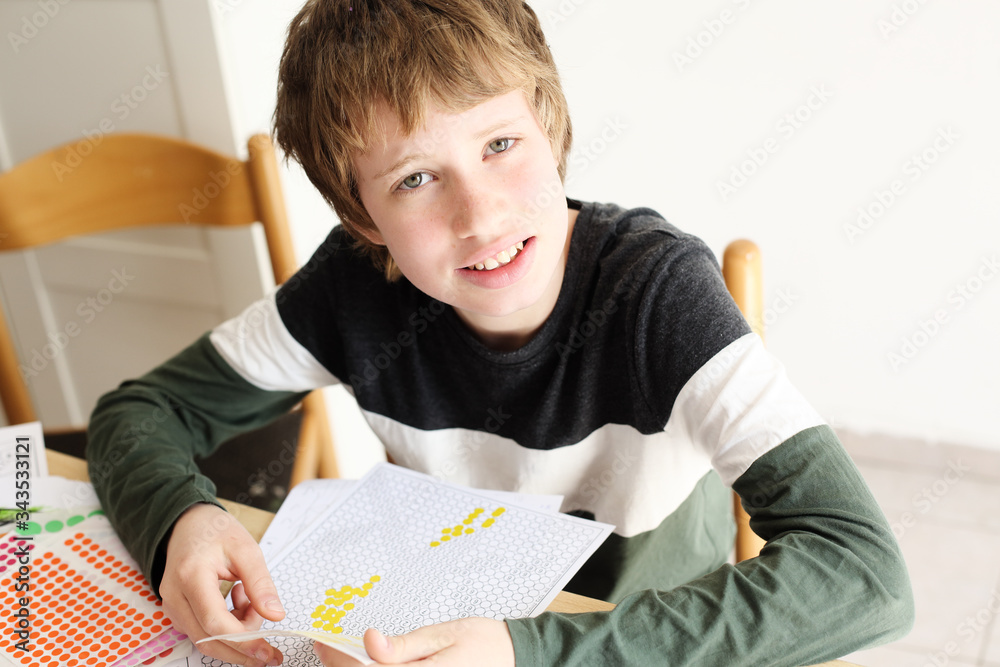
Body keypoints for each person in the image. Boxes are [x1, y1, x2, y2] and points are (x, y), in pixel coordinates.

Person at [86, 1, 915, 665]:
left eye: (500, 144)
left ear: (550, 125)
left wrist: (528, 650)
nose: (479, 216)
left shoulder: (657, 295)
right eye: (415, 178)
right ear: (362, 218)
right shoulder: (351, 288)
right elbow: (139, 411)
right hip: (441, 624)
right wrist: (180, 520)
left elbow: (865, 572)